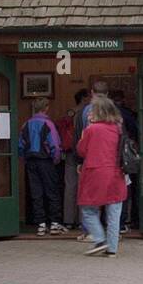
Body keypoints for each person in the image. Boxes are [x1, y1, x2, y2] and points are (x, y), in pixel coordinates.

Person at [75, 94, 128, 257]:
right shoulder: (118, 128)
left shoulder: (92, 129)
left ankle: (100, 239)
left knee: (88, 209)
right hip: (116, 172)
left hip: (95, 172)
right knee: (114, 211)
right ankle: (112, 248)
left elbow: (81, 150)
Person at [18, 97, 66, 235]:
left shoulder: (26, 124)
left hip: (31, 161)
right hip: (46, 161)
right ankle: (55, 223)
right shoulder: (48, 124)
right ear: (46, 108)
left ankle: (41, 224)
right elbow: (55, 145)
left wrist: (23, 159)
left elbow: (20, 144)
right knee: (52, 191)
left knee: (36, 193)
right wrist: (56, 159)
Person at [111, 89, 139, 232]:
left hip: (108, 159)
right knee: (126, 188)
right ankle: (122, 223)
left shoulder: (103, 118)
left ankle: (113, 225)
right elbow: (136, 129)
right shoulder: (127, 114)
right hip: (125, 156)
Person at [63, 88, 88, 230]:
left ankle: (68, 219)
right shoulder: (89, 113)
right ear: (84, 98)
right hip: (83, 151)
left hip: (70, 151)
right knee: (83, 186)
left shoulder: (70, 112)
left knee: (70, 186)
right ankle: (82, 220)